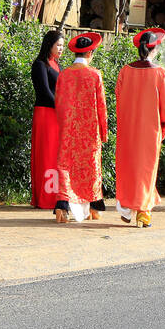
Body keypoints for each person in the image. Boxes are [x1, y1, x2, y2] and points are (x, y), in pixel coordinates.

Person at [115, 27, 165, 227]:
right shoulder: (161, 74)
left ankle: (125, 207)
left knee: (129, 168)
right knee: (146, 170)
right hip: (150, 130)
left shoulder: (126, 71)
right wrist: (163, 129)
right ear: (155, 50)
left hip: (128, 128)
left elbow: (119, 100)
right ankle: (143, 211)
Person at [54, 32, 109, 224]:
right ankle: (94, 207)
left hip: (68, 129)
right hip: (89, 128)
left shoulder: (64, 75)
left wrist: (62, 127)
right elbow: (101, 106)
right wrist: (104, 131)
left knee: (66, 166)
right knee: (90, 167)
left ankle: (62, 207)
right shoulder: (95, 75)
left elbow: (59, 104)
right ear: (90, 53)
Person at [26, 28, 63, 211]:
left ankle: (56, 195)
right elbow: (44, 91)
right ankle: (44, 198)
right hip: (45, 113)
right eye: (59, 45)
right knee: (45, 154)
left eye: (63, 45)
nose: (61, 48)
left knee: (55, 156)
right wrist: (60, 106)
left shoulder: (56, 64)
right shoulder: (40, 64)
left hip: (57, 115)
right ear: (49, 45)